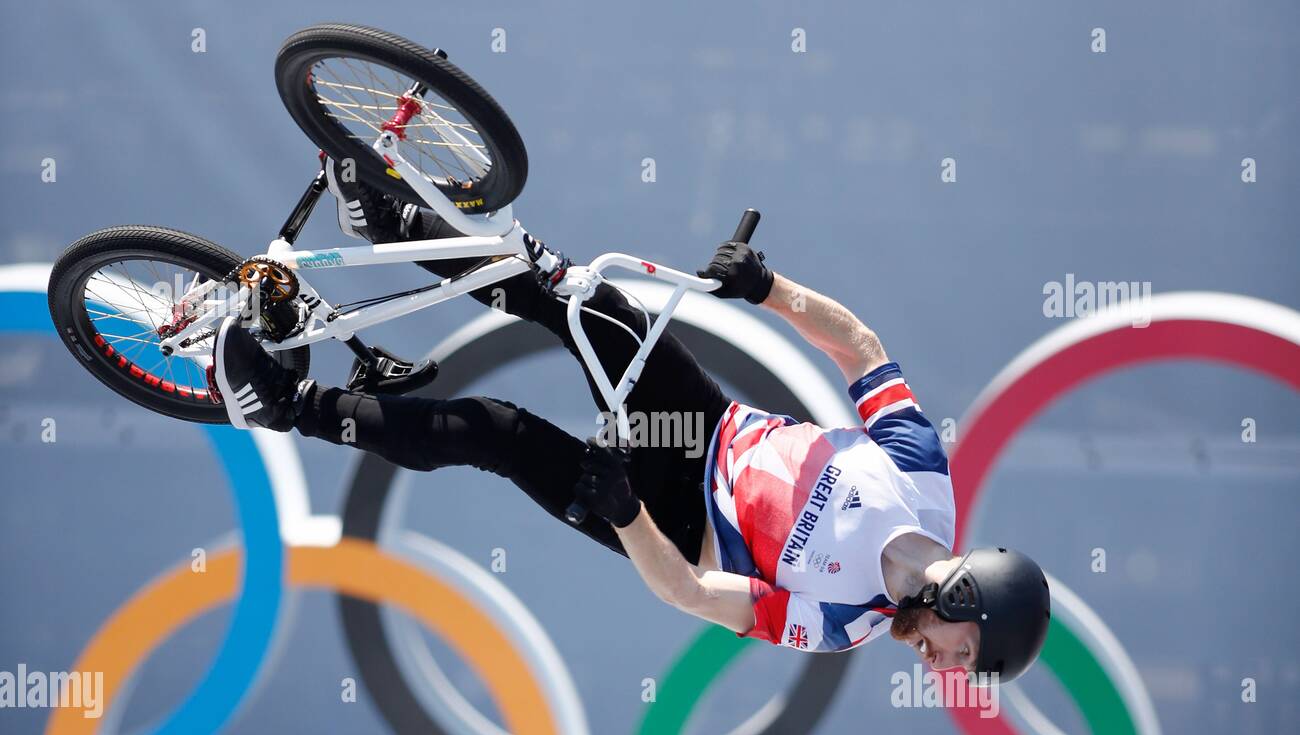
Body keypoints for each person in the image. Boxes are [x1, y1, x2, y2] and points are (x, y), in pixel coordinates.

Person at [211, 162, 1050, 682]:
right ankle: (393, 224)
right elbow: (861, 349)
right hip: (705, 429)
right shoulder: (923, 481)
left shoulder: (840, 625)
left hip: (671, 526)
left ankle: (284, 406)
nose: (941, 668)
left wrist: (623, 511)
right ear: (967, 597)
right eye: (962, 654)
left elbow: (688, 591)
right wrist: (769, 288)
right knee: (577, 298)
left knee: (495, 431)